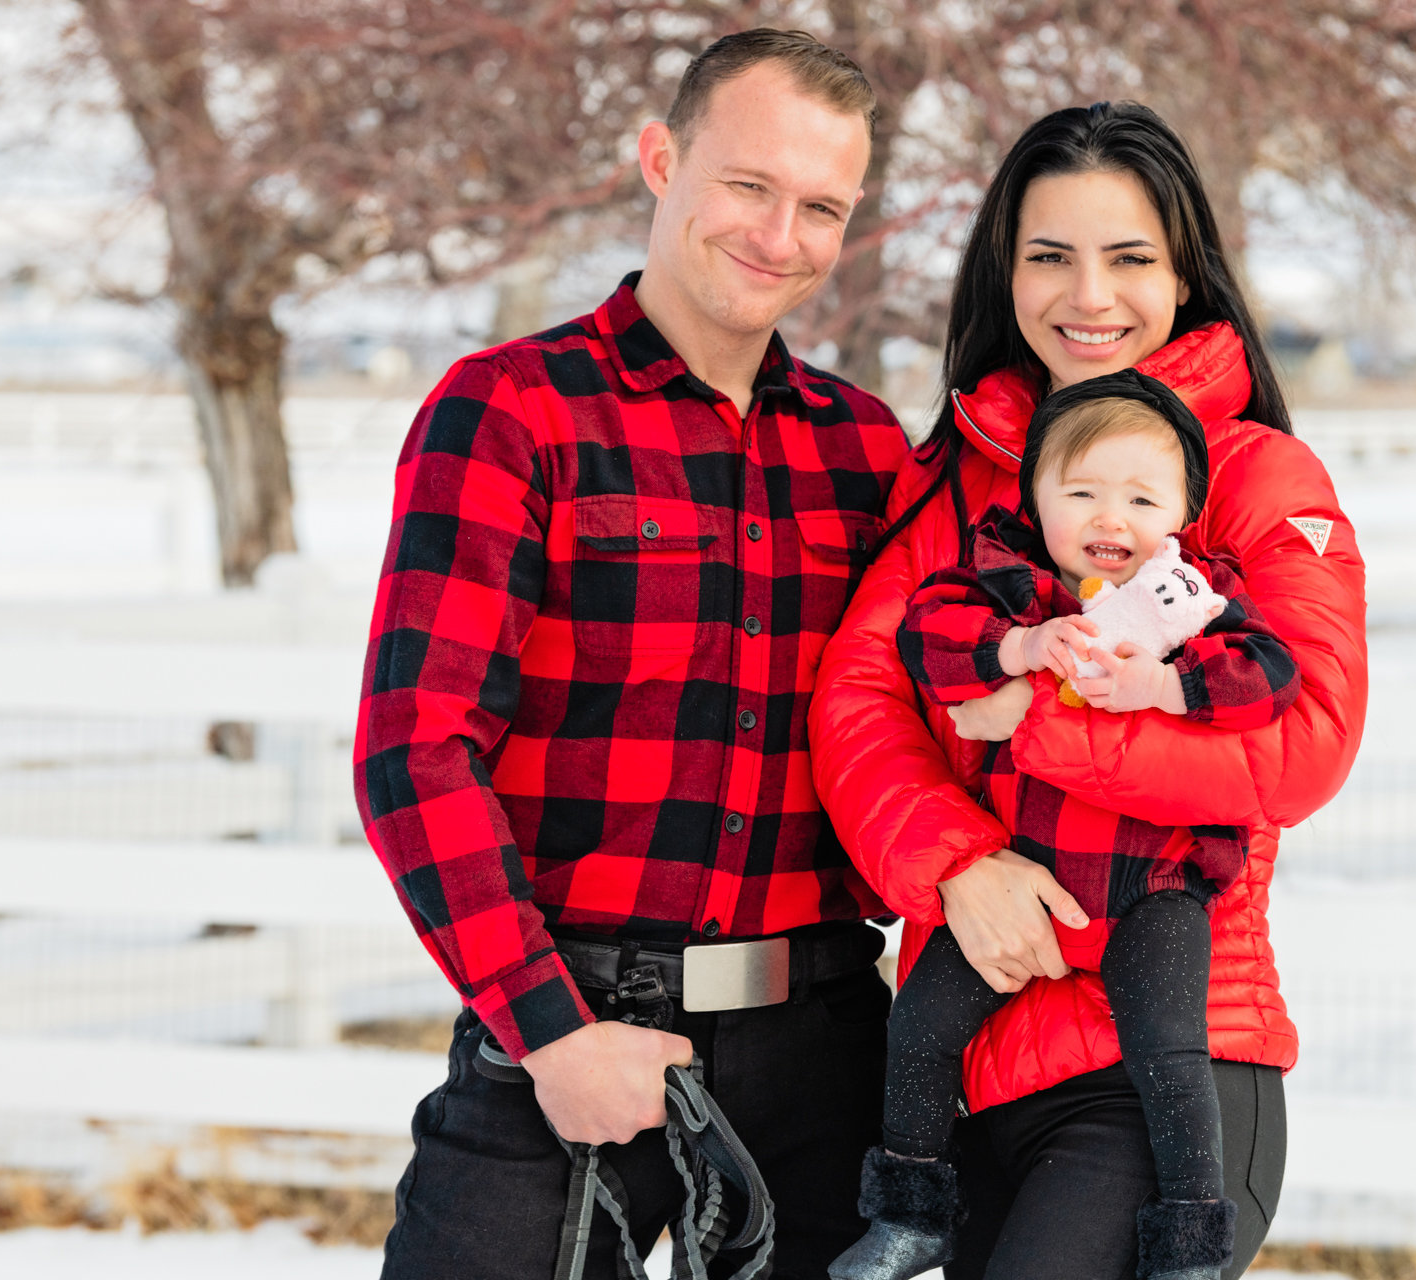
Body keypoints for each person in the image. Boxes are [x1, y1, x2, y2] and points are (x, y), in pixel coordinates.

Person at [353, 28, 911, 1280]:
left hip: (821, 1041)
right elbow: (415, 752)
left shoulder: (869, 453)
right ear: (661, 159)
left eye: (821, 206)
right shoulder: (510, 409)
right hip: (569, 1024)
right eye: (750, 185)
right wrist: (553, 1033)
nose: (781, 235)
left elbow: (918, 725)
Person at [810, 101, 1367, 1280]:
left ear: (1186, 274)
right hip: (976, 1062)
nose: (1089, 295)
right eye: (1049, 256)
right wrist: (957, 861)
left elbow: (1305, 741)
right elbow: (860, 700)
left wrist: (1046, 719)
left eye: (1130, 258)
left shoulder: (1260, 476)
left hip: (1168, 1061)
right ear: (1003, 275)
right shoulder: (960, 479)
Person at [831, 375, 1300, 1280]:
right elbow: (925, 635)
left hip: (1153, 886)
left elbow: (1269, 677)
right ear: (1035, 495)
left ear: (1182, 512)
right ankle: (911, 1211)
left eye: (1140, 498)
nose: (1109, 517)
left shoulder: (1193, 601)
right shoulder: (1009, 585)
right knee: (922, 1025)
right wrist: (1022, 650)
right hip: (1028, 880)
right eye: (1080, 491)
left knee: (1169, 1050)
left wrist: (1163, 687)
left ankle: (1192, 1242)